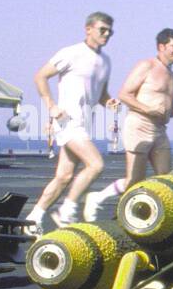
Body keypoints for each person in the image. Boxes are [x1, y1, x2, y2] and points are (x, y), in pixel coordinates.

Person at [23, 12, 116, 232]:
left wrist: (109, 102)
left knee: (64, 176)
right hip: (67, 122)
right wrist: (51, 106)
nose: (107, 34)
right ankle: (67, 210)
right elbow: (40, 76)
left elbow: (101, 93)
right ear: (88, 29)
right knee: (96, 165)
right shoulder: (71, 53)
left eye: (110, 31)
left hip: (84, 125)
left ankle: (32, 220)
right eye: (102, 30)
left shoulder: (105, 61)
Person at [84, 28, 173, 220]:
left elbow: (165, 110)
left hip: (160, 130)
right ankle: (99, 198)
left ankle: (153, 217)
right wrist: (147, 109)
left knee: (166, 178)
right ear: (161, 46)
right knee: (135, 180)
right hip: (139, 126)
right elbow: (124, 94)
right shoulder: (146, 66)